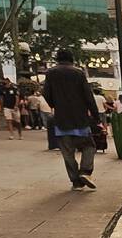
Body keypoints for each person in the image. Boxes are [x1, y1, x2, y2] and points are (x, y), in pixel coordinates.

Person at [41, 48, 100, 191]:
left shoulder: (51, 73)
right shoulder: (78, 73)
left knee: (67, 152)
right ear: (71, 59)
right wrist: (95, 115)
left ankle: (76, 181)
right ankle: (85, 171)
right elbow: (88, 96)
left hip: (61, 117)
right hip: (80, 117)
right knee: (89, 146)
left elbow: (46, 93)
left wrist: (55, 104)